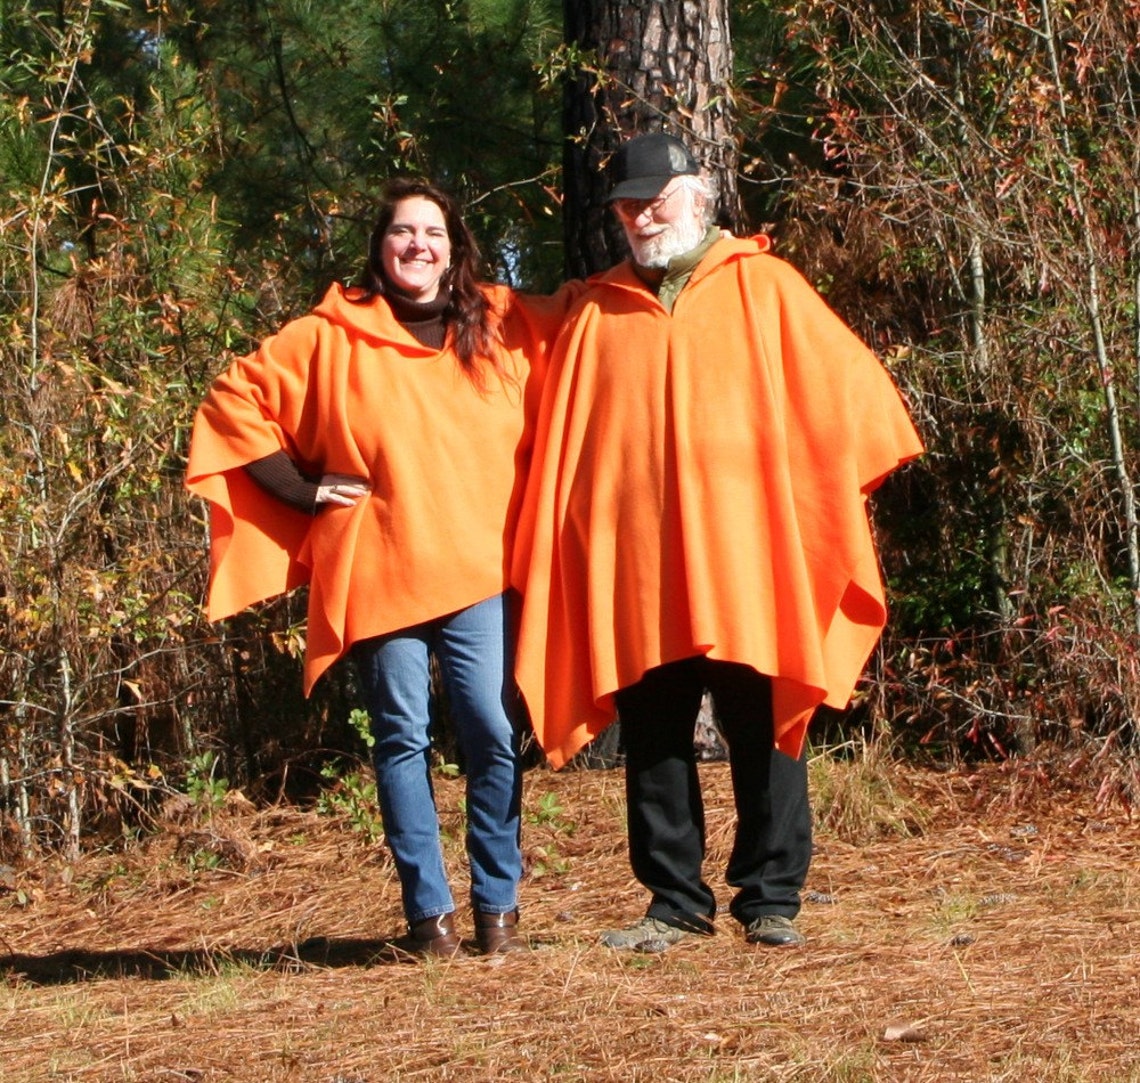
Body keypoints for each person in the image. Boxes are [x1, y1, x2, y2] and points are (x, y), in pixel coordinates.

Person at [512, 132, 924, 950]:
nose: (639, 215)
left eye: (653, 199)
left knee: (763, 724)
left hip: (749, 562)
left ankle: (772, 894)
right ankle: (674, 902)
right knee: (656, 736)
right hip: (641, 569)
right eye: (626, 204)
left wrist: (825, 501)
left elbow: (851, 393)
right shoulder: (595, 311)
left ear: (697, 195)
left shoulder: (764, 288)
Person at [187, 178, 572, 958]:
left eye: (433, 233)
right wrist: (301, 489)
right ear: (381, 244)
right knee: (401, 736)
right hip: (379, 565)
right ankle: (428, 917)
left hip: (478, 568)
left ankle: (498, 903)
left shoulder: (501, 319)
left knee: (492, 731)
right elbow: (235, 399)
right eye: (403, 232)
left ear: (455, 247)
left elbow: (588, 328)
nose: (418, 245)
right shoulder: (333, 333)